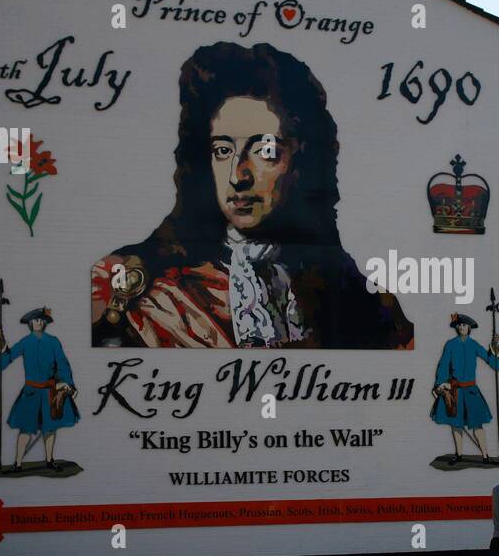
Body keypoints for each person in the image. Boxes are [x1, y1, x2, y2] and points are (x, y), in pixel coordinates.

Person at [91, 41, 413, 350]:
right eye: (222, 150)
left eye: (264, 151)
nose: (238, 176)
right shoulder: (143, 286)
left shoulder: (356, 293)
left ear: (300, 162)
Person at [0, 307, 79, 471]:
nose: (39, 323)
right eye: (36, 320)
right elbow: (7, 359)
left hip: (49, 391)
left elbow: (63, 364)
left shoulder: (53, 341)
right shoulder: (25, 342)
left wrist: (67, 383)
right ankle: (17, 463)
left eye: (41, 320)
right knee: (25, 429)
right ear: (30, 323)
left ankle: (50, 460)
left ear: (45, 323)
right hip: (30, 392)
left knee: (49, 428)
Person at [431, 312, 499, 464]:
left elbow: (492, 362)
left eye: (464, 325)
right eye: (459, 325)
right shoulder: (450, 344)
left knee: (477, 424)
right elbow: (443, 364)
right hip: (455, 390)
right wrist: (439, 384)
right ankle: (458, 454)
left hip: (471, 391)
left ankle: (485, 456)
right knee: (456, 424)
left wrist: (496, 350)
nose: (461, 327)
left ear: (469, 328)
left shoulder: (474, 345)